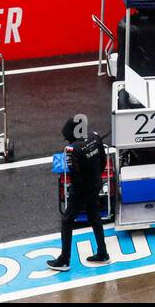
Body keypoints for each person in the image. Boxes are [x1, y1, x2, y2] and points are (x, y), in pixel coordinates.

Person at [48, 115, 110, 271]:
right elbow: (103, 161)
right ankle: (102, 253)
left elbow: (75, 176)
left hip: (82, 189)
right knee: (94, 216)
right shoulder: (95, 137)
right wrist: (95, 178)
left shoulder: (72, 149)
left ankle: (64, 260)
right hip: (96, 183)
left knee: (67, 220)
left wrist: (76, 193)